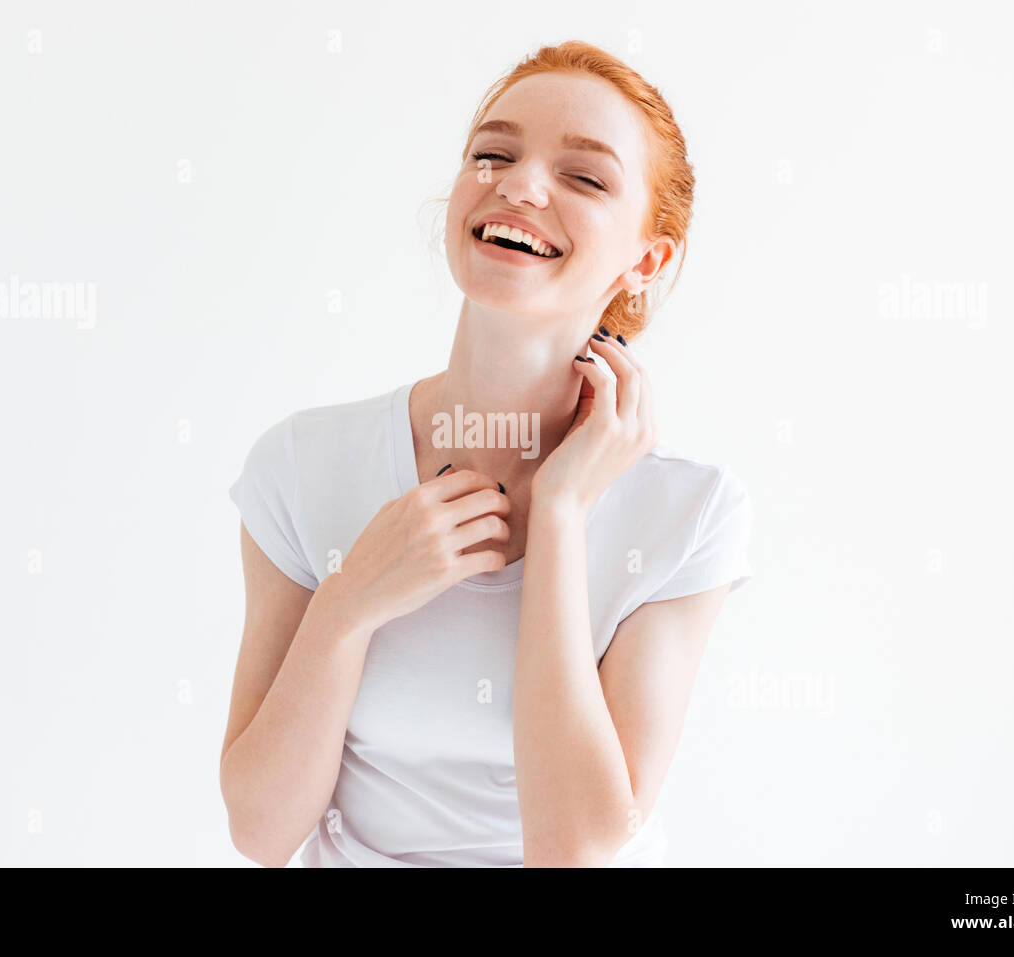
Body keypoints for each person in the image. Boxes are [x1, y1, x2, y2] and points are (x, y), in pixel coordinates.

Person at [220, 40, 754, 867]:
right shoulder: (302, 464)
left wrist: (565, 515)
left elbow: (574, 848)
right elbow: (259, 831)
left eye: (583, 177)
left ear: (646, 263)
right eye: (493, 154)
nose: (518, 184)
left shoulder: (686, 515)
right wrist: (348, 602)